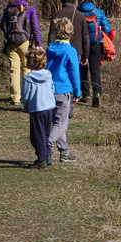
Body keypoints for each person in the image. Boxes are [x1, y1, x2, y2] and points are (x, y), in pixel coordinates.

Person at [46, 16, 84, 163]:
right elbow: (74, 72)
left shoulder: (48, 49)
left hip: (49, 90)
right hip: (64, 89)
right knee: (61, 123)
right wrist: (77, 92)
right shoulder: (70, 51)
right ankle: (47, 144)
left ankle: (64, 151)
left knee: (57, 121)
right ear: (70, 33)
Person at [0, 0, 42, 108]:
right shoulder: (30, 8)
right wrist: (38, 43)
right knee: (26, 69)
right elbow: (35, 26)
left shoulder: (9, 7)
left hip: (11, 43)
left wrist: (8, 35)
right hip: (25, 42)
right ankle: (26, 95)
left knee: (14, 70)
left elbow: (2, 25)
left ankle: (15, 98)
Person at [20, 45, 57, 169]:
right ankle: (47, 155)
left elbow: (26, 94)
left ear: (31, 63)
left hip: (37, 109)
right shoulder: (48, 74)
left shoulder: (28, 78)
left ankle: (41, 159)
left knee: (36, 136)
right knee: (45, 134)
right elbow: (52, 88)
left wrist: (26, 105)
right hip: (49, 108)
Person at [77, 0, 113, 107]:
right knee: (95, 69)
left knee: (82, 69)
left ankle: (85, 94)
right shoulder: (98, 12)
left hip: (82, 44)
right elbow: (107, 28)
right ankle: (97, 92)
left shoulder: (77, 13)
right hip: (96, 44)